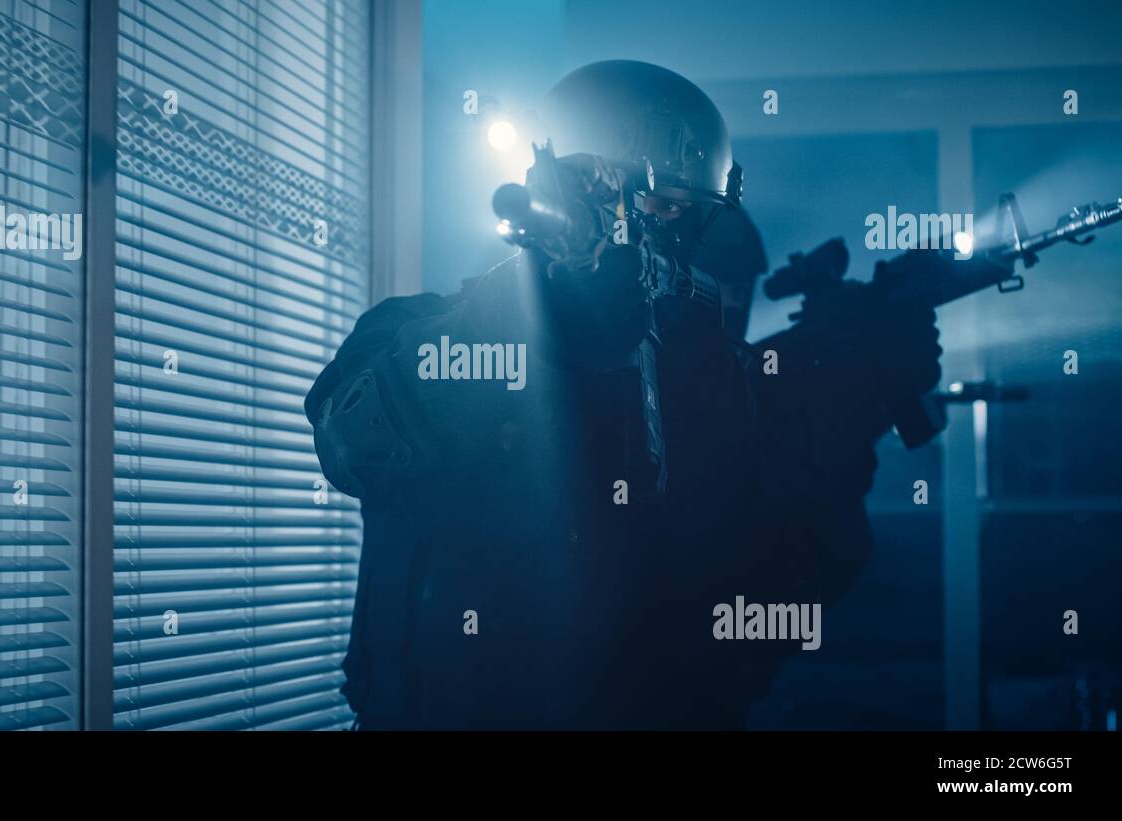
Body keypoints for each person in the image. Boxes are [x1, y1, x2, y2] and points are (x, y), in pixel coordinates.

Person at [304, 60, 942, 729]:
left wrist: (848, 416)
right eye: (649, 206)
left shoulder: (715, 380)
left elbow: (777, 611)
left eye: (680, 212)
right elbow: (352, 442)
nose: (661, 236)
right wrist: (536, 324)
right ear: (560, 191)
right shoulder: (416, 331)